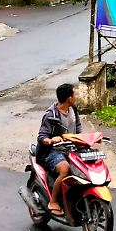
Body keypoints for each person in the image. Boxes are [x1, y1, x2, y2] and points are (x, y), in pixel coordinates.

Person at [37, 83, 83, 217]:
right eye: (75, 94)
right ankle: (53, 201)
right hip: (52, 151)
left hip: (72, 148)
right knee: (65, 169)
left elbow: (78, 127)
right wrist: (51, 140)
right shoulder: (50, 115)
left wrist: (83, 139)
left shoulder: (73, 109)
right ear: (69, 98)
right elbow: (41, 137)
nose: (76, 96)